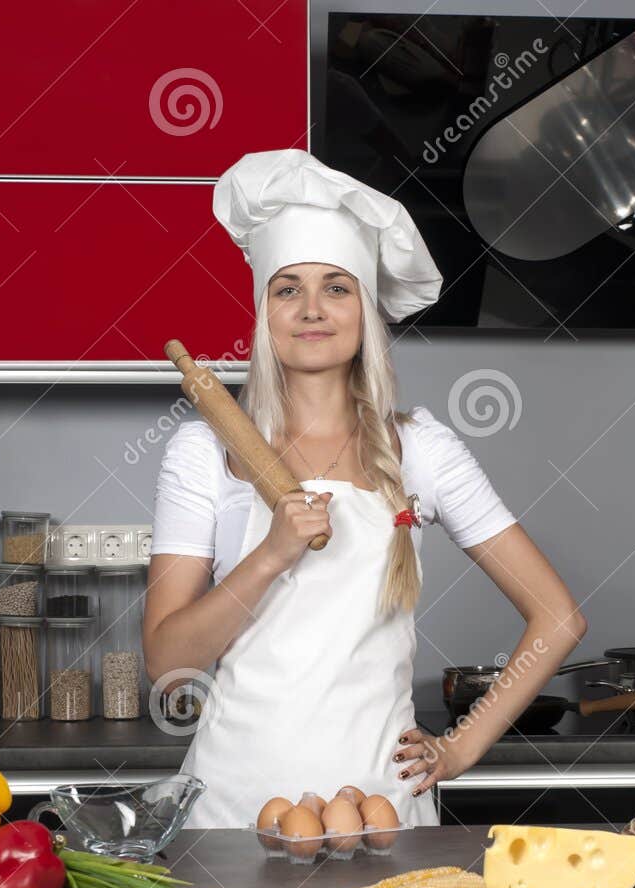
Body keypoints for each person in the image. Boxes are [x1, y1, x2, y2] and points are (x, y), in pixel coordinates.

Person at [144, 149, 587, 829]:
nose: (311, 309)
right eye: (287, 289)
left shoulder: (423, 449)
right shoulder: (204, 452)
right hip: (232, 810)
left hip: (383, 810)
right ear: (264, 312)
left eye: (336, 287)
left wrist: (460, 747)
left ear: (365, 310)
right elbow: (167, 662)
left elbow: (558, 618)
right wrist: (270, 555)